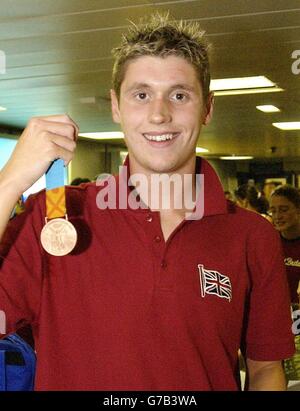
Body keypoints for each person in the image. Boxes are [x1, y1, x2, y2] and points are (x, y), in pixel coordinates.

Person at [0, 13, 295, 391]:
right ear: (116, 107)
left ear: (207, 107)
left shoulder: (252, 236)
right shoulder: (55, 216)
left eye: (179, 95)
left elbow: (266, 369)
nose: (159, 114)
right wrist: (10, 180)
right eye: (141, 94)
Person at [269, 185, 300, 305]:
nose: (277, 216)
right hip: (276, 312)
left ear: (298, 209)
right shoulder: (268, 242)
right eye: (273, 211)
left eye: (283, 210)